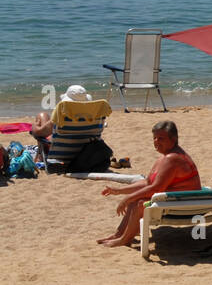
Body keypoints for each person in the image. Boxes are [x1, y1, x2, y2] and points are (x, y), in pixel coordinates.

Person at [97, 120, 202, 248]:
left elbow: (156, 188)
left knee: (138, 203)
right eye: (154, 138)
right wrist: (119, 191)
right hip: (177, 199)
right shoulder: (165, 157)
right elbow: (148, 182)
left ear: (173, 139)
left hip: (185, 205)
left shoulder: (173, 158)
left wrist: (128, 198)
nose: (156, 142)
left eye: (161, 138)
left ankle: (125, 239)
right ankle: (119, 234)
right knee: (135, 199)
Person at [29, 84, 93, 151]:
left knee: (42, 115)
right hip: (86, 150)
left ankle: (41, 154)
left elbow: (39, 132)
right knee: (44, 116)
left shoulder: (62, 116)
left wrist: (35, 126)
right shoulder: (94, 116)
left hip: (64, 152)